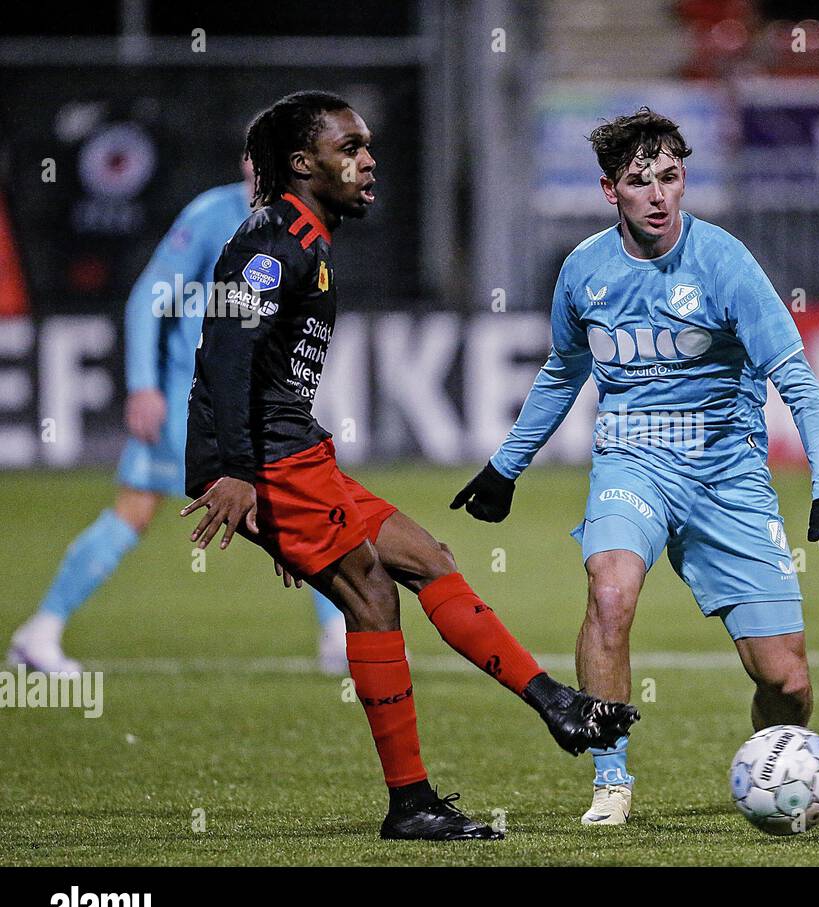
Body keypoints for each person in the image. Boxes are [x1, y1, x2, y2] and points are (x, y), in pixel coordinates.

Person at [182, 90, 637, 841]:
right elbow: (224, 351)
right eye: (350, 150)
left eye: (367, 148)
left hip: (292, 451)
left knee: (427, 557)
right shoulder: (270, 247)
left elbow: (259, 368)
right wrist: (239, 473)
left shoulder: (303, 235)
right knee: (373, 597)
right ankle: (412, 803)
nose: (368, 163)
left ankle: (555, 703)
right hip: (267, 458)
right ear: (303, 165)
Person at [452, 108, 819, 826]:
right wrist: (504, 467)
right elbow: (563, 371)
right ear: (610, 189)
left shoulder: (725, 263)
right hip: (631, 466)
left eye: (671, 177)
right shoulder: (584, 269)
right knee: (610, 594)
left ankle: (787, 761)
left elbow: (796, 381)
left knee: (786, 681)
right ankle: (610, 780)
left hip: (728, 477)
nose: (658, 195)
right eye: (640, 181)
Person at [7, 158, 348, 675]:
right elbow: (149, 297)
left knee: (306, 502)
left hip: (255, 399)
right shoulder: (213, 214)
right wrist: (144, 384)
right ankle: (42, 630)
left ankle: (336, 636)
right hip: (192, 398)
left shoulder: (296, 222)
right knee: (139, 510)